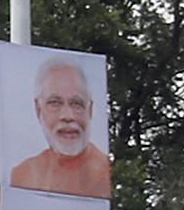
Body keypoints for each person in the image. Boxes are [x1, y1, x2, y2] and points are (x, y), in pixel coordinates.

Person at [11, 58, 112, 199]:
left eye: (77, 104)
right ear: (38, 109)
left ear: (90, 110)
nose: (67, 116)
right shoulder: (23, 175)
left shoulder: (104, 172)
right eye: (55, 103)